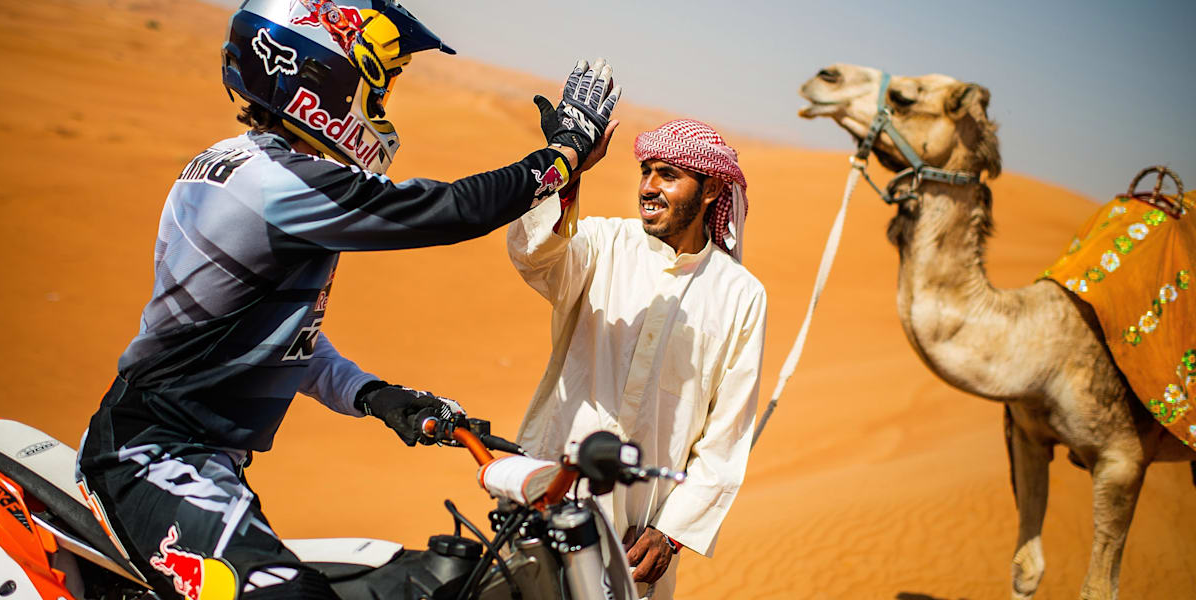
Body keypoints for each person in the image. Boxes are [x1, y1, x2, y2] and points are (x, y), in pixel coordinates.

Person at [74, 1, 620, 598]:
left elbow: (272, 335)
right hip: (154, 458)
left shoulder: (242, 165)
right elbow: (441, 212)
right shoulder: (276, 184)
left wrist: (374, 395)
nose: (377, 108)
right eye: (373, 87)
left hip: (191, 457)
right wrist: (564, 155)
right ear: (317, 76)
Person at [508, 118, 767, 599]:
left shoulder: (740, 295)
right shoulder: (603, 244)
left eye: (668, 174)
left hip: (639, 534)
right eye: (645, 171)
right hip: (552, 493)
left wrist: (672, 532)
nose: (648, 187)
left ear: (711, 188)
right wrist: (564, 164)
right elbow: (534, 254)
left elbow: (726, 435)